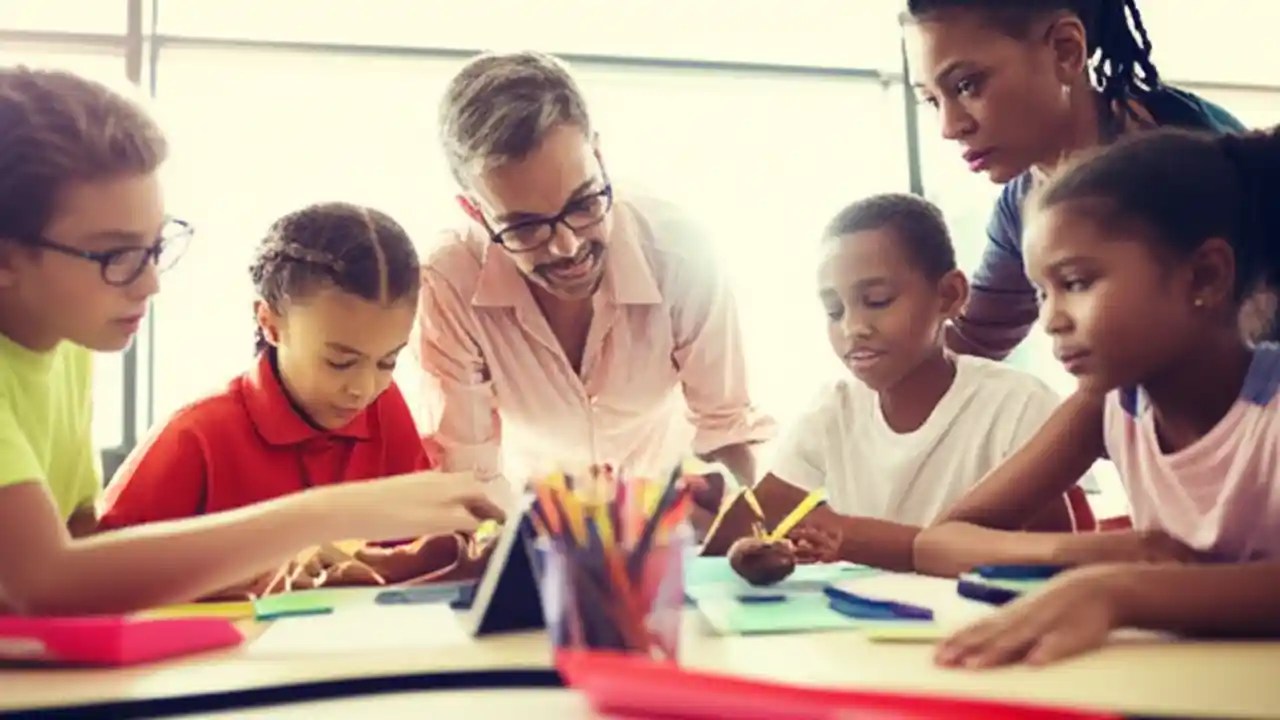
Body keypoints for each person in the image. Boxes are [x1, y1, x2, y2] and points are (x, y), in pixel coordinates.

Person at [0, 67, 500, 616]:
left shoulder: (65, 345)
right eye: (115, 255)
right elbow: (43, 583)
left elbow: (85, 551)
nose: (150, 283)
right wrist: (332, 513)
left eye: (155, 247)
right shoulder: (191, 425)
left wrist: (284, 569)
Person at [918, 127, 1280, 667]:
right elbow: (939, 541)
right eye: (1042, 292)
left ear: (1204, 276)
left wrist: (1118, 590)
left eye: (1077, 283)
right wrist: (1095, 552)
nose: (1051, 319)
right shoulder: (1109, 406)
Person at [417, 51, 774, 504]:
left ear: (600, 158)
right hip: (533, 525)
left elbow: (728, 432)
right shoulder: (448, 283)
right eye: (526, 227)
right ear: (475, 211)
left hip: (676, 520)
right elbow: (468, 475)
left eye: (584, 203)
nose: (567, 247)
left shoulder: (680, 254)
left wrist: (730, 527)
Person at [749, 194, 1081, 571]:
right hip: (858, 609)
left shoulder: (1016, 405)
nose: (853, 327)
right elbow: (762, 517)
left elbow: (1052, 562)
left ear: (949, 295)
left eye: (877, 300)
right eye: (834, 310)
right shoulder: (832, 409)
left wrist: (850, 537)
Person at [903, 0, 1250, 359]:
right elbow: (971, 345)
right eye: (931, 100)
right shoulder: (1024, 204)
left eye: (967, 85)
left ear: (1065, 50)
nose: (949, 128)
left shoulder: (1197, 164)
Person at [99, 202, 440, 529]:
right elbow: (104, 563)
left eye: (387, 362)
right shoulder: (194, 438)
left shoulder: (384, 409)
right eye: (340, 362)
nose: (363, 389)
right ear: (269, 322)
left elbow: (427, 538)